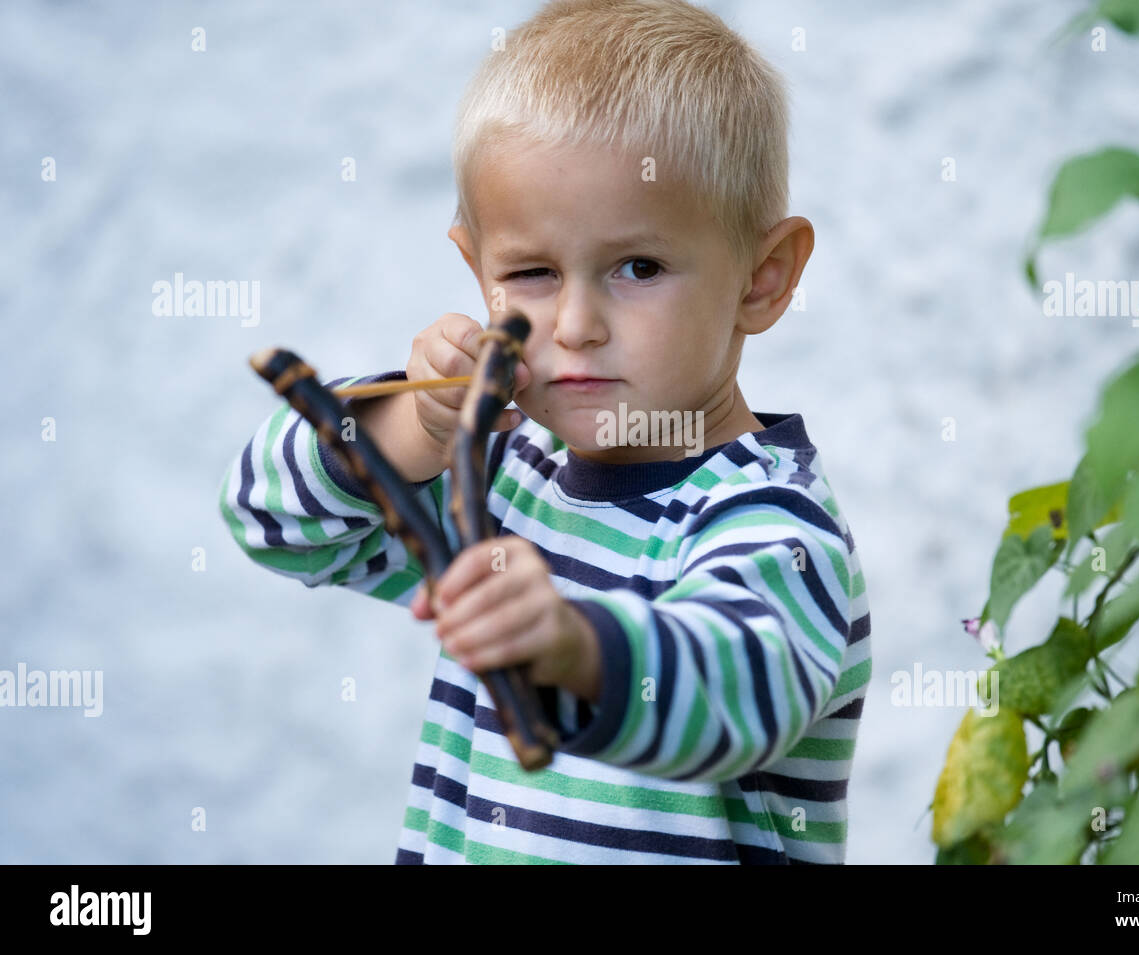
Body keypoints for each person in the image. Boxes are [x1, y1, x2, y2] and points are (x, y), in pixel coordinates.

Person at [219, 0, 871, 864]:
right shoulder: (498, 479)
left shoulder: (772, 524)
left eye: (638, 267)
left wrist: (575, 644)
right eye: (531, 271)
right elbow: (274, 524)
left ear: (763, 276)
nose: (574, 323)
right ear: (475, 269)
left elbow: (733, 696)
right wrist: (412, 428)